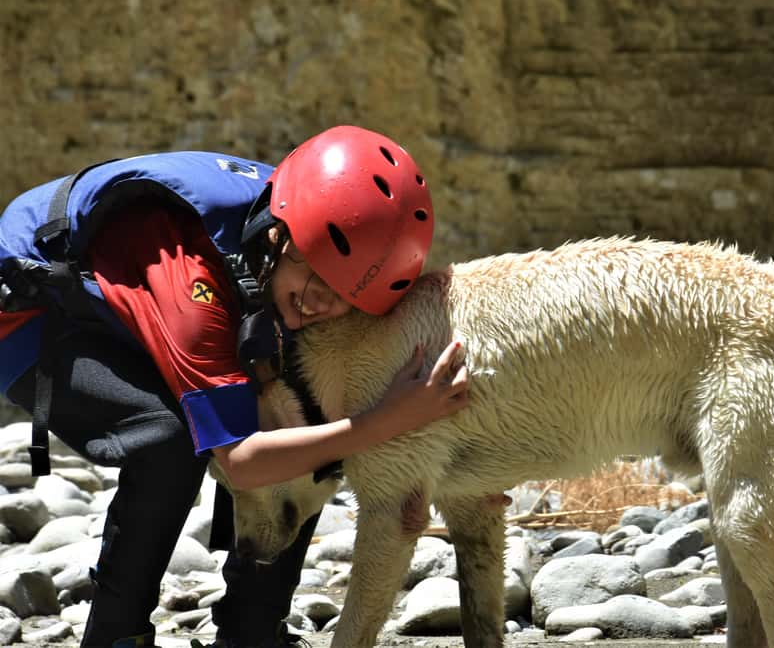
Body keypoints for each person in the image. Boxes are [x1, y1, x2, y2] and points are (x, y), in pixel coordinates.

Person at [0, 126, 469, 647]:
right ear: (278, 236)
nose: (321, 303)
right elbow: (243, 460)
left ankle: (251, 634)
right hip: (34, 314)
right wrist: (386, 421)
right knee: (168, 440)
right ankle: (116, 636)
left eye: (344, 297)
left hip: (132, 290)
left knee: (306, 406)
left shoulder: (297, 224)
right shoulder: (194, 287)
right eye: (316, 276)